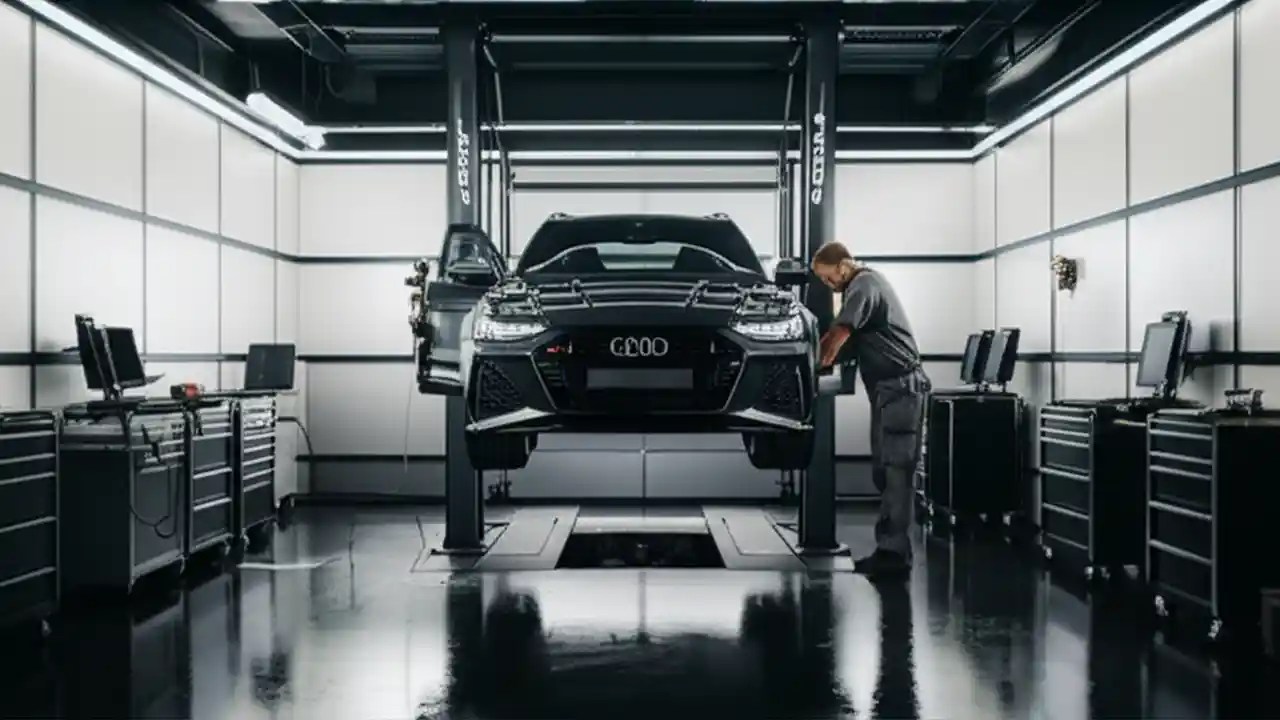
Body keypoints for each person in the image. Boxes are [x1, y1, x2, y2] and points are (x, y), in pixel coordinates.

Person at [811, 241, 931, 580]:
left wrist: (810, 365)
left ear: (843, 266)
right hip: (888, 390)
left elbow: (839, 334)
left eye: (828, 277)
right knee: (884, 469)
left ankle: (894, 555)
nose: (828, 284)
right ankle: (890, 549)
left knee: (896, 471)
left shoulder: (863, 285)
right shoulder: (862, 286)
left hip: (901, 388)